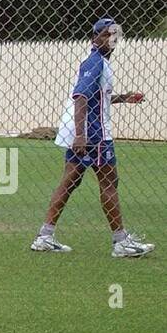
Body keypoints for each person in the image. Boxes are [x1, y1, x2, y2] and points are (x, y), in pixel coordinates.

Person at [32, 17, 153, 257]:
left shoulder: (100, 63)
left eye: (115, 35)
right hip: (94, 135)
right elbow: (81, 97)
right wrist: (80, 135)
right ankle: (121, 243)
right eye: (107, 35)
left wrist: (122, 98)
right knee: (109, 183)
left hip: (87, 133)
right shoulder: (95, 62)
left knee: (69, 182)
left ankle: (44, 236)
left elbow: (97, 97)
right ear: (94, 38)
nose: (111, 39)